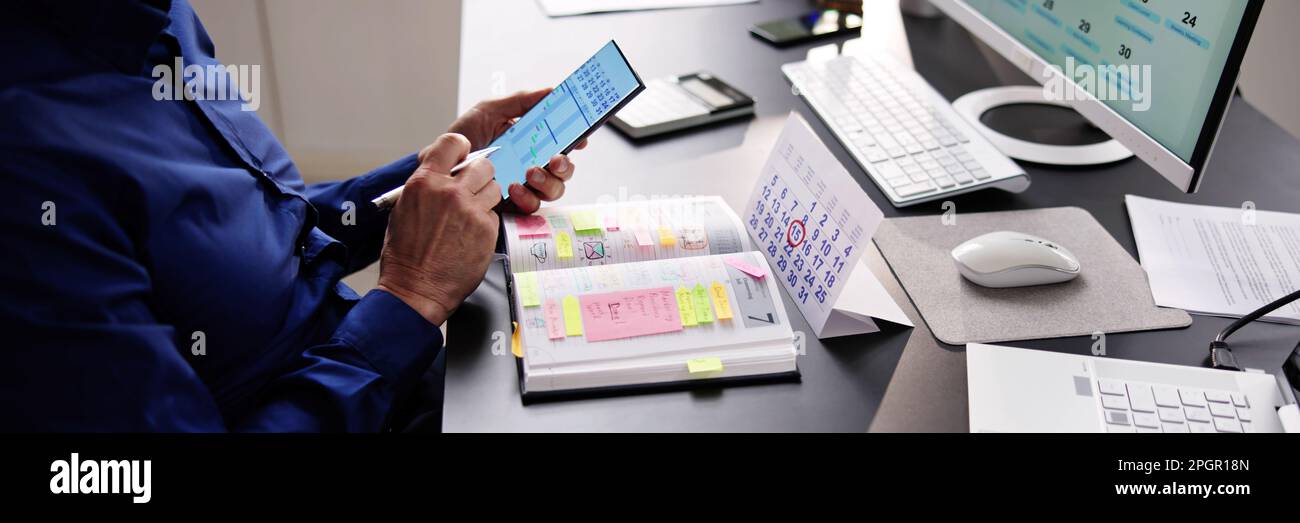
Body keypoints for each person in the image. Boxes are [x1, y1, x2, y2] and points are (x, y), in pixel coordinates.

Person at [0, 0, 581, 431]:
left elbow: (265, 236)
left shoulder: (159, 18)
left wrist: (443, 178)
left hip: (400, 365)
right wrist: (413, 296)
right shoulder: (29, 177)